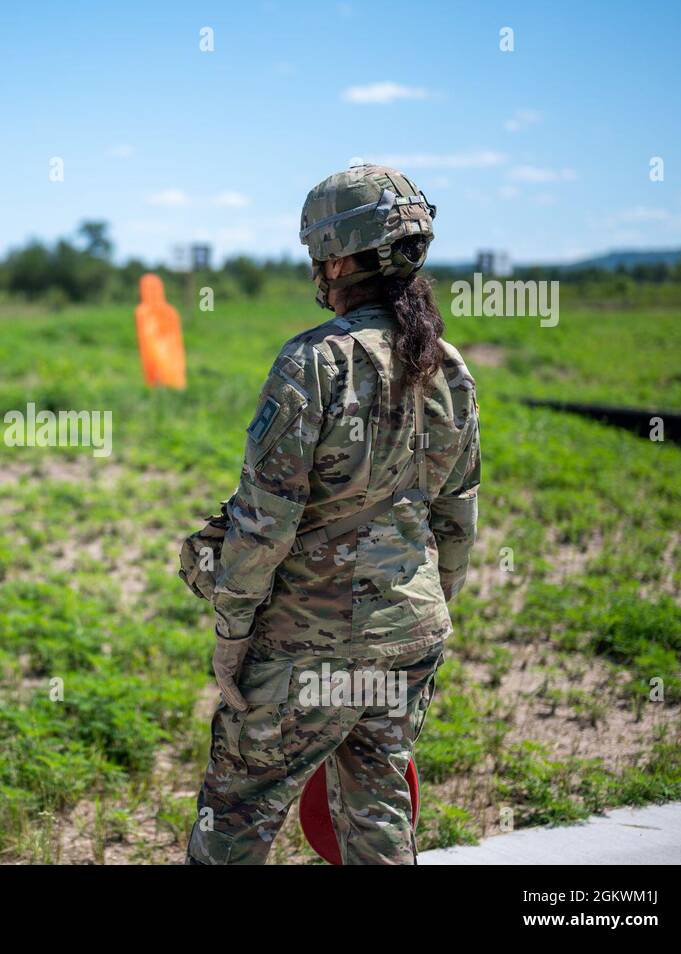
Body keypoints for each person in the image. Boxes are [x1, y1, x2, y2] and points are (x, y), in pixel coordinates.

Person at [182, 164, 480, 864]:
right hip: (409, 638)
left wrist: (232, 637)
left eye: (319, 257)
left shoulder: (313, 362)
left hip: (304, 651)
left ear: (340, 260)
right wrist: (426, 611)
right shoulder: (449, 366)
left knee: (235, 818)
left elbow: (264, 524)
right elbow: (457, 519)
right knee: (378, 825)